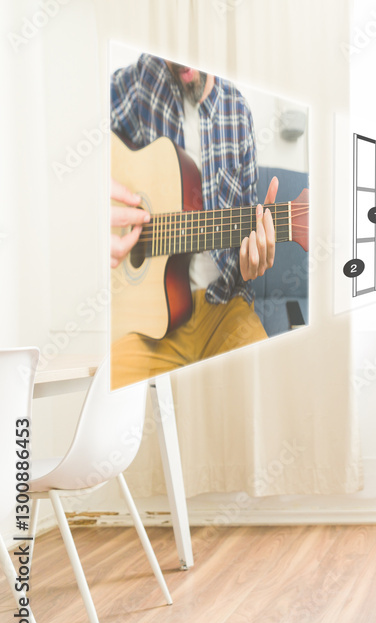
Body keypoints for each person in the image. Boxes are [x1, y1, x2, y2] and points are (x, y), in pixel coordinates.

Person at [108, 53, 278, 388]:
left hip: (224, 306)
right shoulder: (141, 82)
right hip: (149, 321)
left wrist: (254, 258)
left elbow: (250, 220)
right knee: (107, 399)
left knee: (264, 388)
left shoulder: (237, 111)